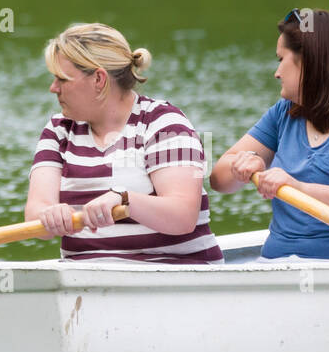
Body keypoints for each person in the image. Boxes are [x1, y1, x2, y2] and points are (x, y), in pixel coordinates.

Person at [209, 8, 329, 259]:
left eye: (281, 59)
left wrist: (299, 187)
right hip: (276, 265)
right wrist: (246, 165)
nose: (276, 72)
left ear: (309, 62)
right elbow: (218, 180)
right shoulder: (284, 113)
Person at [26, 23, 223, 263]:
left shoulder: (163, 123)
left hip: (173, 279)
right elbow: (35, 215)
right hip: (87, 285)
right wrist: (49, 215)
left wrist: (125, 199)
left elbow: (182, 216)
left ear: (99, 79)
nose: (53, 88)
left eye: (62, 79)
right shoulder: (59, 130)